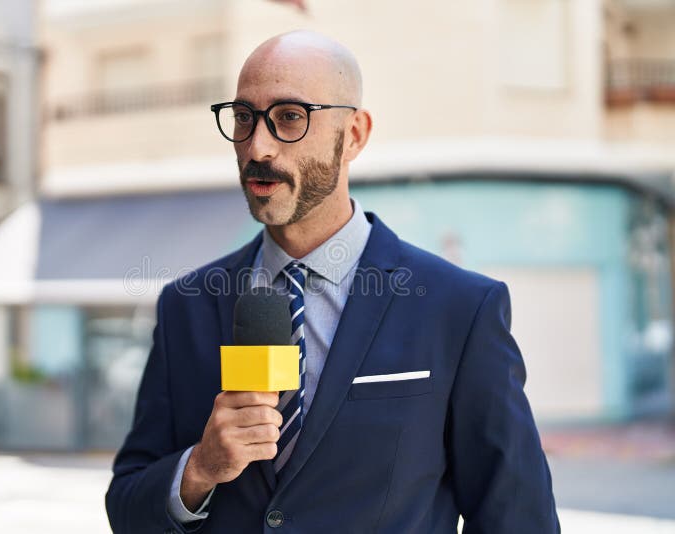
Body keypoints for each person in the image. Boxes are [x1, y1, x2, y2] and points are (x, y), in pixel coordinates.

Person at [106, 30, 560, 533]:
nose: (258, 146)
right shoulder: (184, 307)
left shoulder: (460, 309)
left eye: (290, 118)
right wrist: (198, 470)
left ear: (356, 135)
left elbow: (519, 518)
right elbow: (126, 506)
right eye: (243, 118)